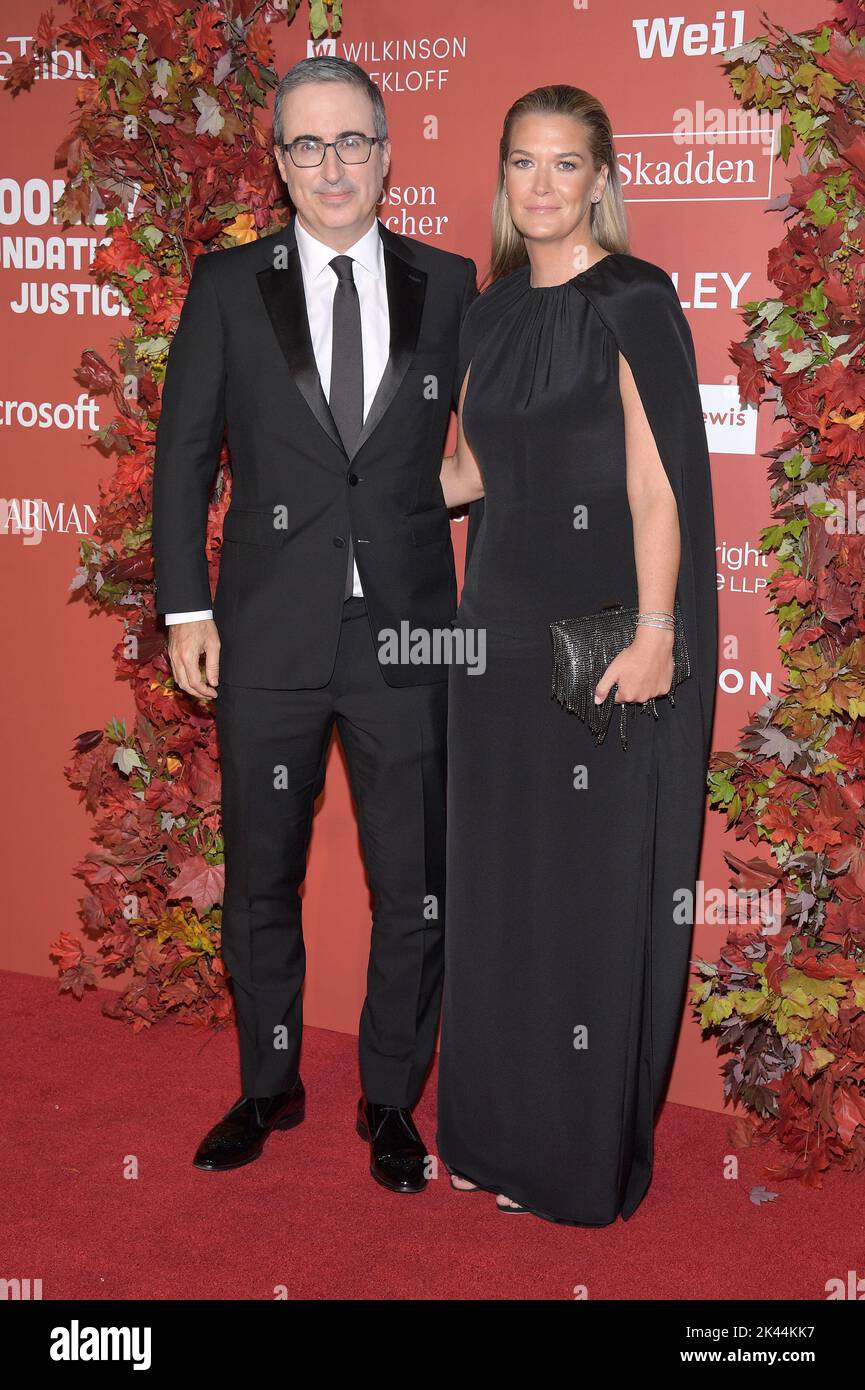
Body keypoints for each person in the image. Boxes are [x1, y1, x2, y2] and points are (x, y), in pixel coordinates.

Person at [152, 56, 476, 1192]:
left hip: (406, 638)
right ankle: (268, 1081)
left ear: (387, 154)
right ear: (278, 161)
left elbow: (490, 450)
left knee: (413, 885)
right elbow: (185, 455)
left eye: (352, 142)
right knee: (260, 879)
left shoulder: (449, 282)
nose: (331, 165)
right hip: (265, 635)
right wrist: (185, 604)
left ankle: (389, 1099)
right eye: (307, 144)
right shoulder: (229, 284)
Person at [436, 85, 717, 1222]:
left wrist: (656, 632)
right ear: (501, 177)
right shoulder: (489, 312)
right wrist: (343, 489)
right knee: (500, 893)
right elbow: (466, 474)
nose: (540, 186)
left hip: (595, 642)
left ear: (601, 177)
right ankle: (494, 1137)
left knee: (582, 900)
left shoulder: (633, 303)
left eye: (564, 165)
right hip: (493, 635)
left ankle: (568, 1160)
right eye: (521, 164)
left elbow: (658, 488)